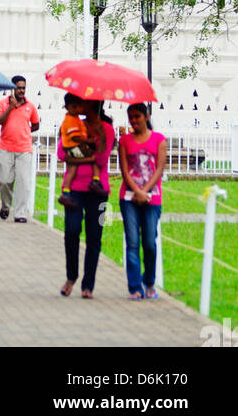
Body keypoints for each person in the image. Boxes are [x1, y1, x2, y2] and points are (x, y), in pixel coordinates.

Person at [59, 100, 115, 299]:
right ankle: (71, 276)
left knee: (94, 237)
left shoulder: (107, 129)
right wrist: (87, 152)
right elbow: (62, 154)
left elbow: (101, 160)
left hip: (99, 190)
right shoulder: (74, 124)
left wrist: (80, 153)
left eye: (88, 105)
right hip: (74, 189)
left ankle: (88, 284)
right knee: (71, 231)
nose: (84, 108)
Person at [118, 103, 167, 300]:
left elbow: (159, 169)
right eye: (131, 117)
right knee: (132, 242)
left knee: (149, 242)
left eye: (137, 116)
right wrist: (136, 191)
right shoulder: (124, 140)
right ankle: (135, 287)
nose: (134, 121)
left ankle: (149, 282)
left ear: (146, 116)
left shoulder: (159, 140)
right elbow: (124, 168)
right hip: (129, 197)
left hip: (152, 198)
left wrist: (144, 191)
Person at [0, 74, 39, 222]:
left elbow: (36, 124)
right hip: (6, 147)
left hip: (24, 149)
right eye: (18, 88)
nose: (21, 91)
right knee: (5, 181)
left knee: (23, 182)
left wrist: (25, 132)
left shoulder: (30, 106)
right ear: (12, 89)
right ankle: (6, 206)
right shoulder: (2, 104)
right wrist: (11, 108)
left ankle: (20, 213)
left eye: (23, 88)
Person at [58, 93, 98, 206]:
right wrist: (88, 141)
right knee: (95, 157)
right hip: (75, 146)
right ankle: (96, 180)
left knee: (72, 170)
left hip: (72, 146)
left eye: (79, 106)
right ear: (67, 108)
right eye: (74, 107)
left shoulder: (75, 119)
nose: (77, 109)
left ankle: (66, 193)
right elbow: (74, 136)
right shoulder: (70, 120)